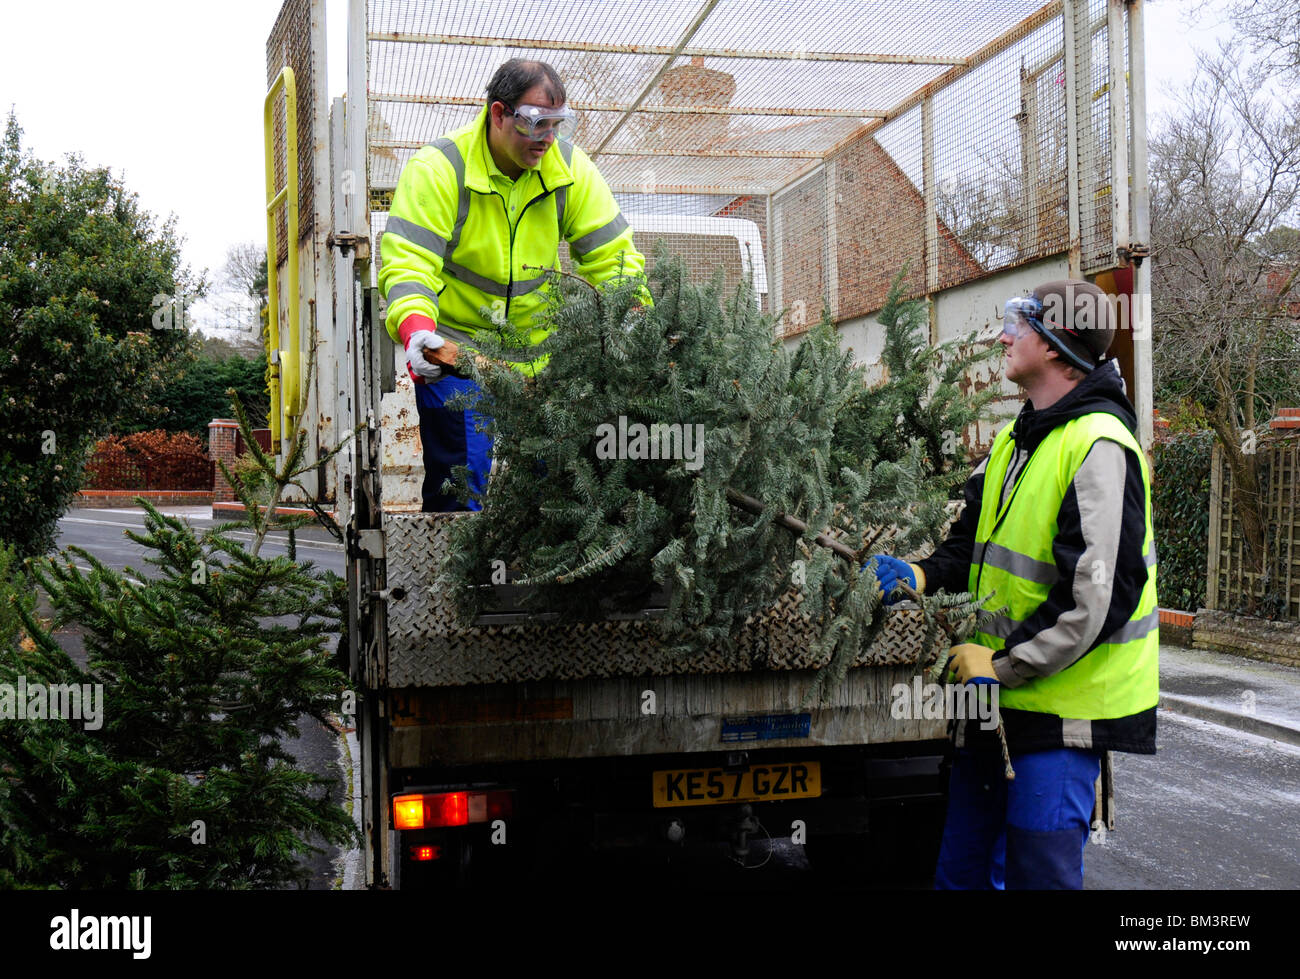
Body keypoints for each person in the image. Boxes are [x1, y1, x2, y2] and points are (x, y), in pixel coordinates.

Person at [867, 279, 1158, 889]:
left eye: (1016, 326)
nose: (1002, 336)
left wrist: (1000, 664)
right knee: (962, 878)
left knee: (1037, 882)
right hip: (991, 709)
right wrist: (919, 573)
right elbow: (969, 546)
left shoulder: (1099, 444)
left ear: (1055, 345)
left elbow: (1096, 599)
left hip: (1057, 722)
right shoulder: (1016, 440)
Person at [379, 59, 648, 511]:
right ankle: (458, 576)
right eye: (536, 123)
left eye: (557, 125)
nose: (547, 138)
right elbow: (409, 264)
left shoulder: (570, 170)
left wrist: (638, 319)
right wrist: (416, 328)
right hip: (456, 351)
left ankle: (543, 576)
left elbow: (613, 257)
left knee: (560, 485)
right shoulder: (440, 170)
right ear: (499, 113)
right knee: (463, 478)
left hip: (541, 357)